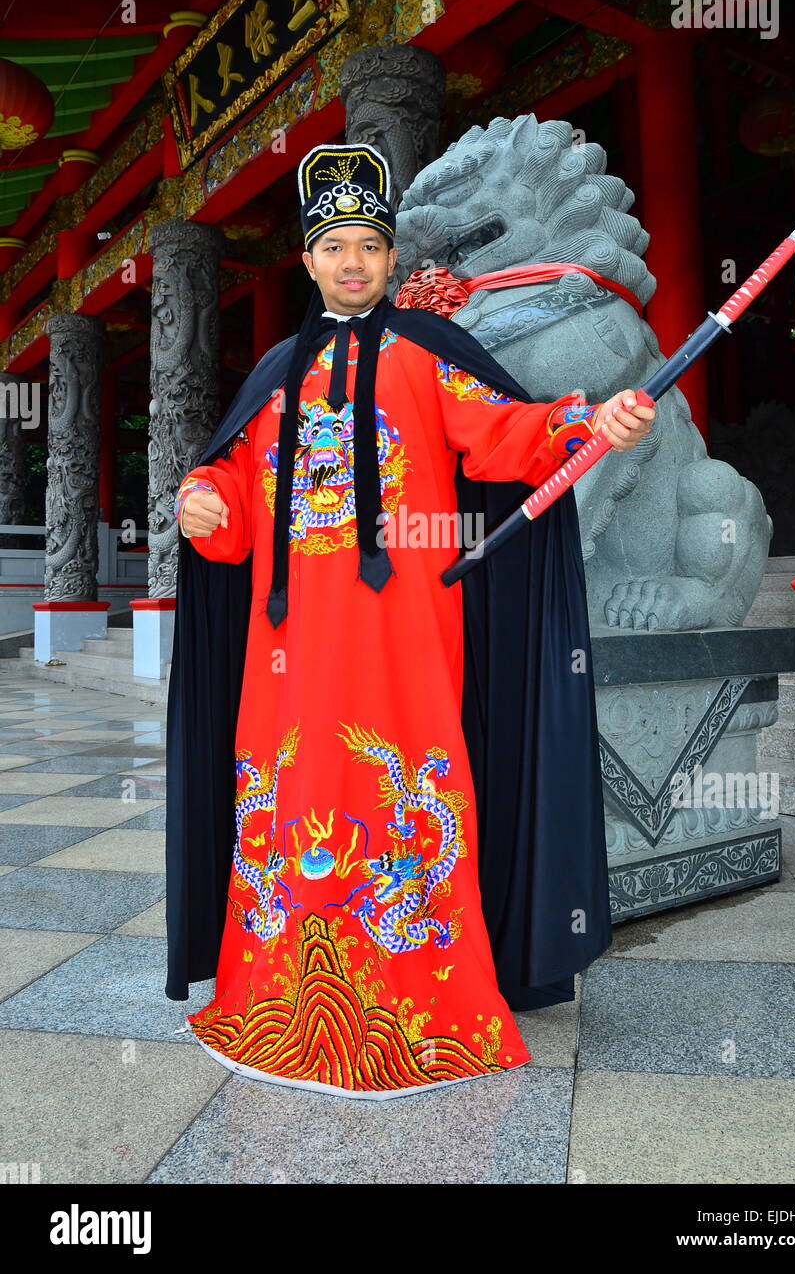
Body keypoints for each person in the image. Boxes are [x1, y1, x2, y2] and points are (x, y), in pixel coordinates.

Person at [165, 141, 654, 1099]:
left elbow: (510, 435)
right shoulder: (274, 373)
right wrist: (202, 500)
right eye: (334, 245)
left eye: (369, 246)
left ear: (393, 262)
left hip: (409, 645)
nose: (352, 261)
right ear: (307, 261)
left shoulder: (427, 358)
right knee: (293, 795)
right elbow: (231, 487)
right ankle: (281, 998)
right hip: (289, 651)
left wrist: (589, 423)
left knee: (408, 793)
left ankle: (424, 1009)